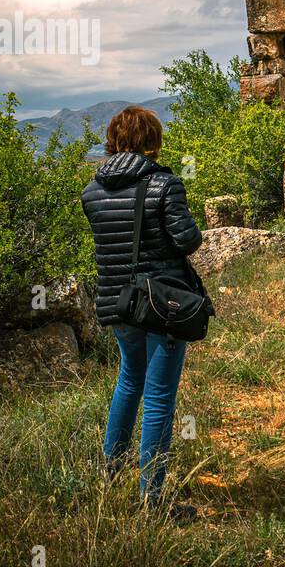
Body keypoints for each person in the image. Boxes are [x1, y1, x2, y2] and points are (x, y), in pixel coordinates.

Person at [80, 105, 202, 518]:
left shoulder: (91, 192)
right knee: (160, 396)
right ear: (153, 141)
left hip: (117, 304)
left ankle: (110, 472)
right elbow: (187, 241)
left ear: (115, 140)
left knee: (129, 382)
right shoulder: (165, 185)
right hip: (161, 304)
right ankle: (152, 501)